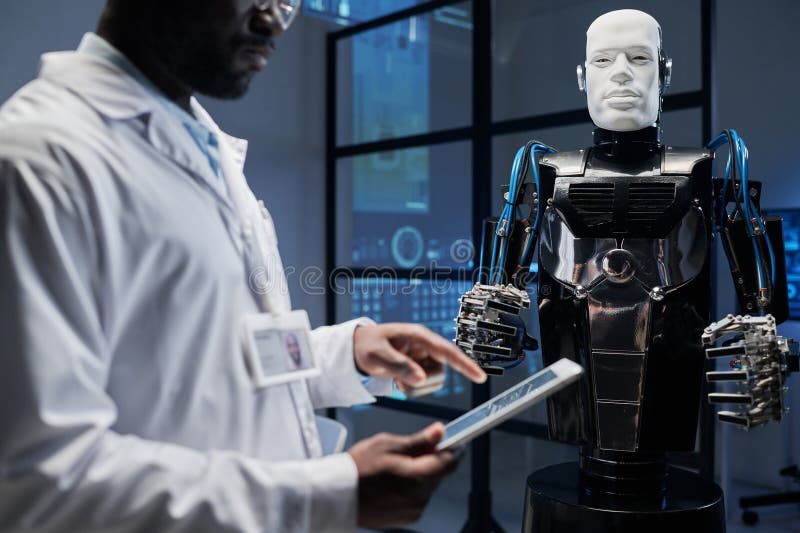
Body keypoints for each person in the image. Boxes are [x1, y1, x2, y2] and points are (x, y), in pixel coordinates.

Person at [0, 1, 487, 531]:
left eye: (289, 1)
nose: (274, 20)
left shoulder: (201, 143)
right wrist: (322, 495)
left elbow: (212, 364)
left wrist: (345, 354)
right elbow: (35, 483)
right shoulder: (36, 161)